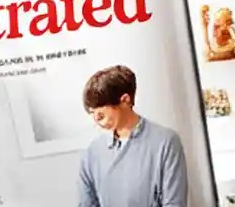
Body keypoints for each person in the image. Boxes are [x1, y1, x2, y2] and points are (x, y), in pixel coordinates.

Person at [78, 65, 188, 207]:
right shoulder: (92, 153)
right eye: (92, 114)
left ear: (125, 100)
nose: (97, 122)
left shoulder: (165, 143)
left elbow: (174, 203)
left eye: (101, 116)